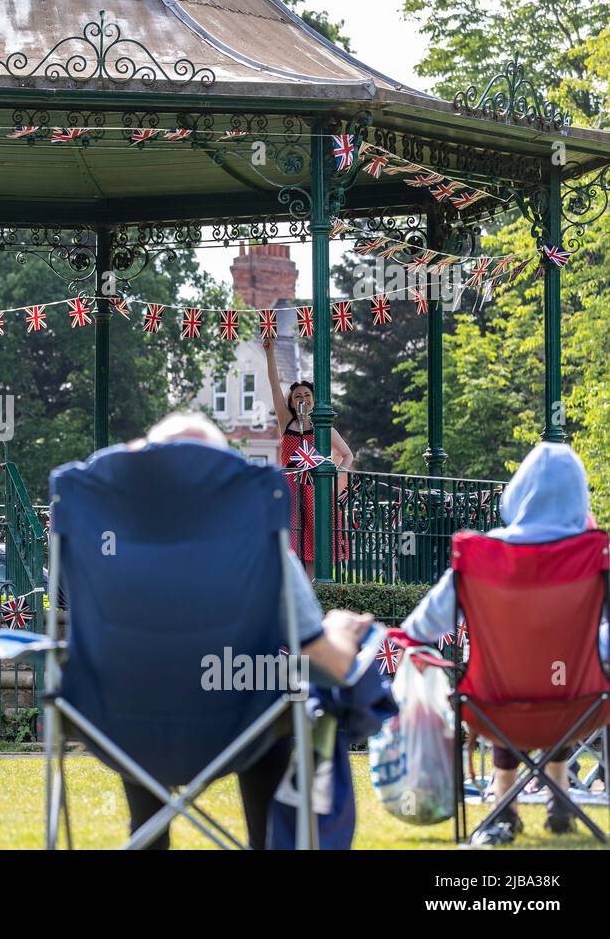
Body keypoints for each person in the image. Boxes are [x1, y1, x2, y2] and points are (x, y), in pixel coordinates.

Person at [118, 411, 374, 849]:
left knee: (144, 692)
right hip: (238, 728)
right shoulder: (262, 546)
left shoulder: (106, 549)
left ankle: (148, 837)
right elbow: (326, 661)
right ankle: (266, 841)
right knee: (273, 705)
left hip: (123, 727)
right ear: (224, 480)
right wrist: (343, 628)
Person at [401, 441, 600, 845]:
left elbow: (422, 627)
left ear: (518, 491)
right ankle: (559, 795)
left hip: (492, 706)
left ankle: (504, 802)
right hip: (580, 705)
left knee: (510, 674)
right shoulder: (596, 555)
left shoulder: (481, 553)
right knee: (558, 670)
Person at [263, 339, 354, 578]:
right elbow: (274, 387)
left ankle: (315, 588)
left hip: (315, 488)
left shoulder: (323, 427)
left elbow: (347, 455)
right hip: (290, 487)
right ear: (291, 401)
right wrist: (270, 353)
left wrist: (335, 475)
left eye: (306, 394)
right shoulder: (287, 422)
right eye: (296, 396)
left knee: (316, 542)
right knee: (290, 537)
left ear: (313, 399)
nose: (302, 398)